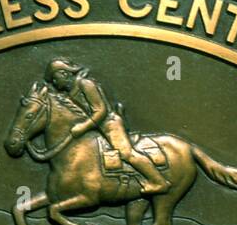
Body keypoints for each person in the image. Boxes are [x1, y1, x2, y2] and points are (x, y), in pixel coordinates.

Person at [46, 58, 170, 195]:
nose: (54, 83)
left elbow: (101, 110)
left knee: (126, 153)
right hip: (95, 128)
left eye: (54, 78)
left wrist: (83, 127)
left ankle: (158, 181)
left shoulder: (85, 84)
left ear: (64, 74)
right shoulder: (70, 92)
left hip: (109, 125)